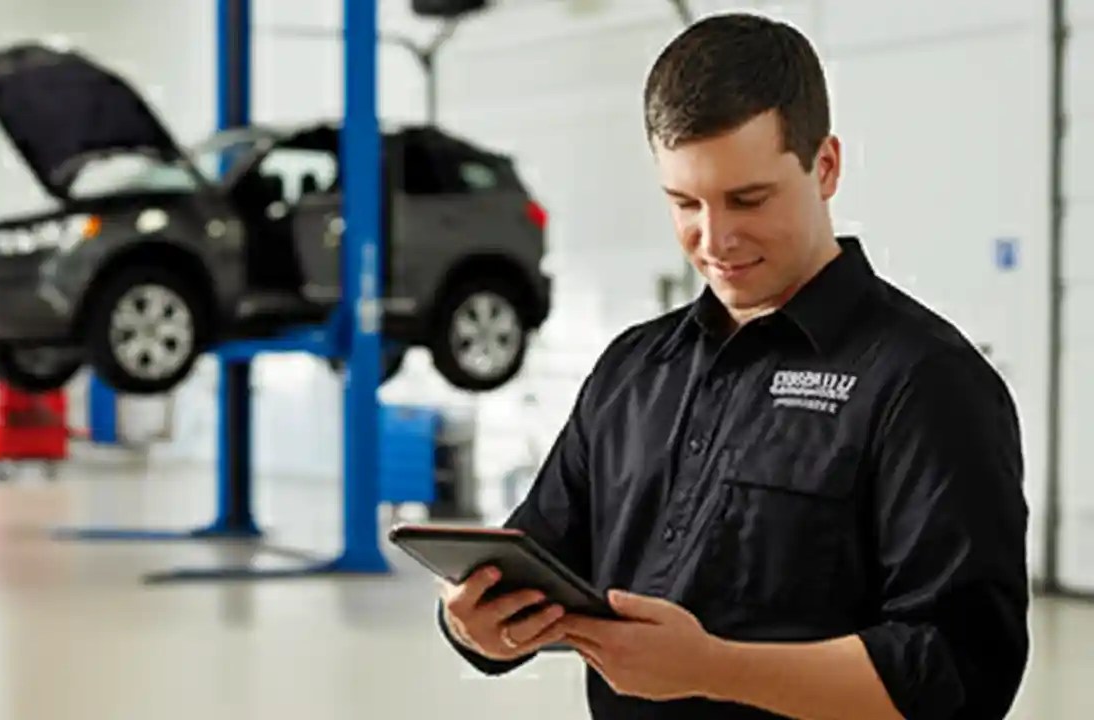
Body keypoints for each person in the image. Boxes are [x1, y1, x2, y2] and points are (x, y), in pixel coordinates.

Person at [436, 11, 1030, 720]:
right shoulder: (634, 370)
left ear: (827, 166)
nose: (715, 239)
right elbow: (534, 559)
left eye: (748, 200)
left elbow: (958, 675)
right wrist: (471, 624)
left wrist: (714, 669)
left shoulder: (925, 383)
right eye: (685, 202)